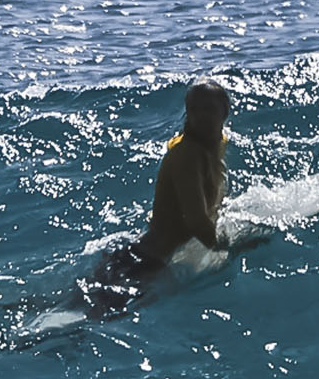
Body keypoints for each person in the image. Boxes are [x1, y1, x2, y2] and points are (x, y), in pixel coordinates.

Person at [84, 82, 234, 308]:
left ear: (225, 112)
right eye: (195, 109)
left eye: (209, 109)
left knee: (73, 312)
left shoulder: (215, 144)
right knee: (80, 322)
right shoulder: (187, 155)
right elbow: (196, 222)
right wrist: (232, 248)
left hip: (145, 258)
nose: (202, 116)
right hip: (142, 263)